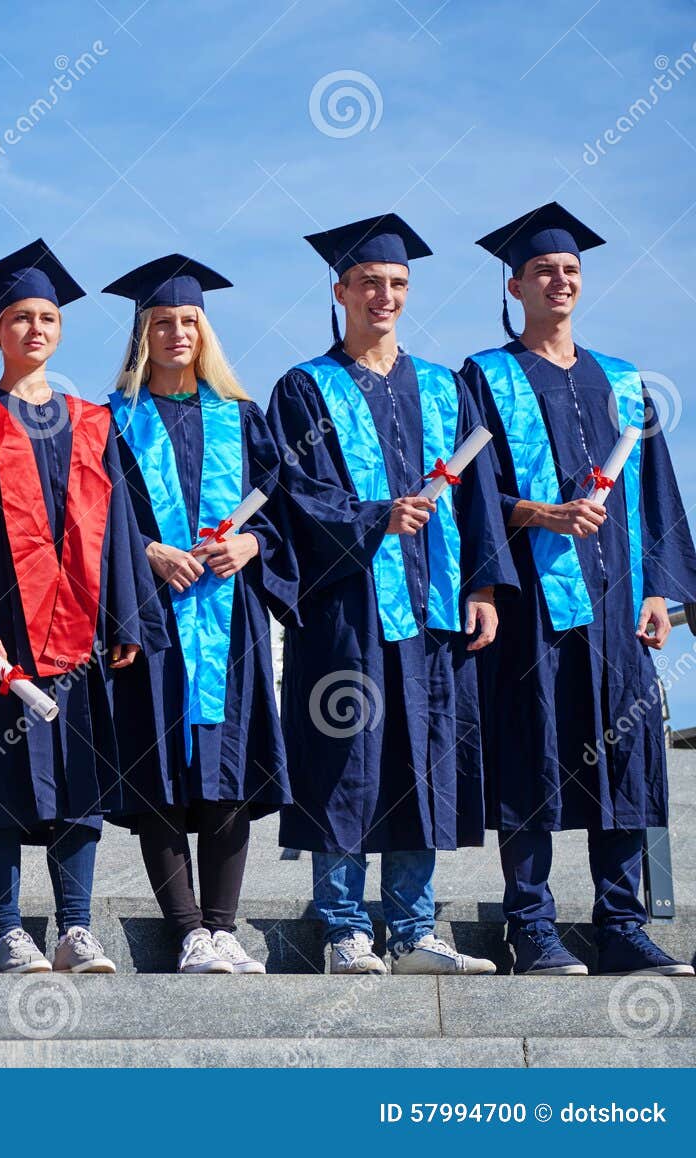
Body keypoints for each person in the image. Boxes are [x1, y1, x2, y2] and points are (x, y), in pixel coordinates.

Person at [267, 213, 516, 976]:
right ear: (340, 289)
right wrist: (378, 516)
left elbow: (481, 496)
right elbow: (293, 492)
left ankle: (412, 929)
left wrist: (484, 587)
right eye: (369, 282)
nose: (385, 294)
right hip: (348, 610)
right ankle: (343, 926)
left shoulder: (445, 387)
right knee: (345, 756)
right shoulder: (305, 387)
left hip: (434, 610)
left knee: (423, 757)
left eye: (398, 283)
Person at [461, 202, 696, 977]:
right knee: (531, 750)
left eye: (570, 271)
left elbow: (657, 494)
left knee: (626, 759)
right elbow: (469, 491)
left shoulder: (624, 383)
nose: (559, 280)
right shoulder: (485, 377)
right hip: (532, 606)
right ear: (515, 284)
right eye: (543, 271)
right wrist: (537, 514)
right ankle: (530, 926)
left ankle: (621, 924)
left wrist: (662, 590)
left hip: (618, 607)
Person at [0, 239, 165, 975]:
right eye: (19, 319)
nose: (35, 329)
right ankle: (7, 929)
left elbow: (123, 525)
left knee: (80, 774)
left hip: (80, 631)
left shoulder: (93, 422)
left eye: (47, 318)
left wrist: (127, 617)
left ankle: (74, 928)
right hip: (0, 636)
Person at [102, 255, 298, 974]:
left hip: (229, 616)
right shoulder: (112, 421)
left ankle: (223, 929)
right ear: (142, 333)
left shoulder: (244, 419)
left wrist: (250, 542)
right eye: (162, 322)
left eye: (188, 322)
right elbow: (95, 519)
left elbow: (287, 512)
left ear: (204, 331)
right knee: (158, 768)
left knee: (231, 765)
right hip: (150, 619)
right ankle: (188, 931)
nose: (176, 332)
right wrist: (149, 552)